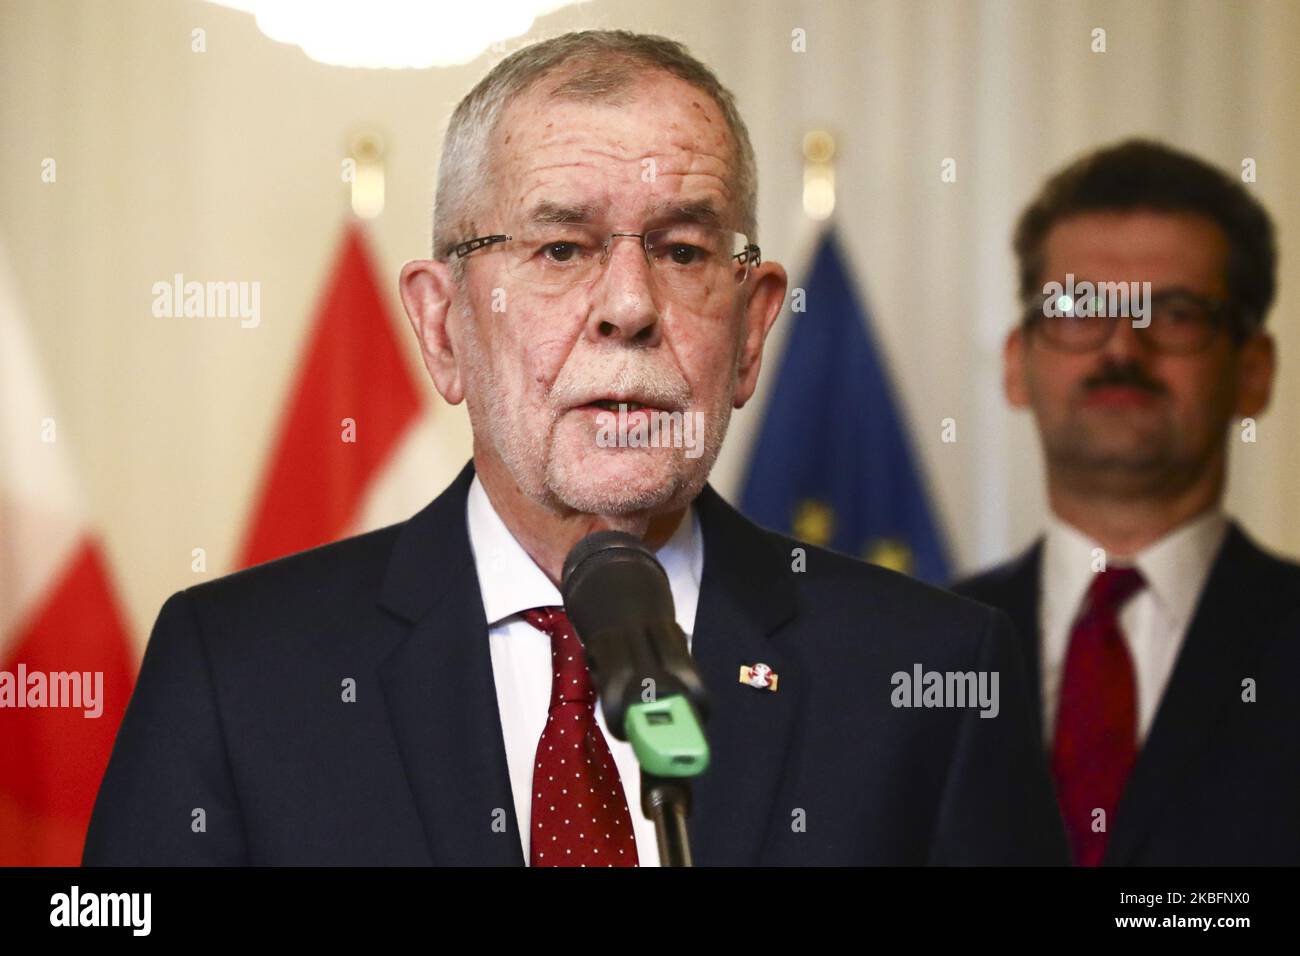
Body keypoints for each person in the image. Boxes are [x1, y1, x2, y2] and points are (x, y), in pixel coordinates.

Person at [84, 29, 1065, 866]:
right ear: (442, 327)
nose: (630, 308)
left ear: (752, 331)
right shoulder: (234, 671)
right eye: (561, 248)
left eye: (682, 249)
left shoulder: (937, 673)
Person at [953, 139, 1300, 865]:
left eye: (1172, 314)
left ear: (1255, 373)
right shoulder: (916, 648)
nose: (1123, 349)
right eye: (1081, 309)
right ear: (1018, 363)